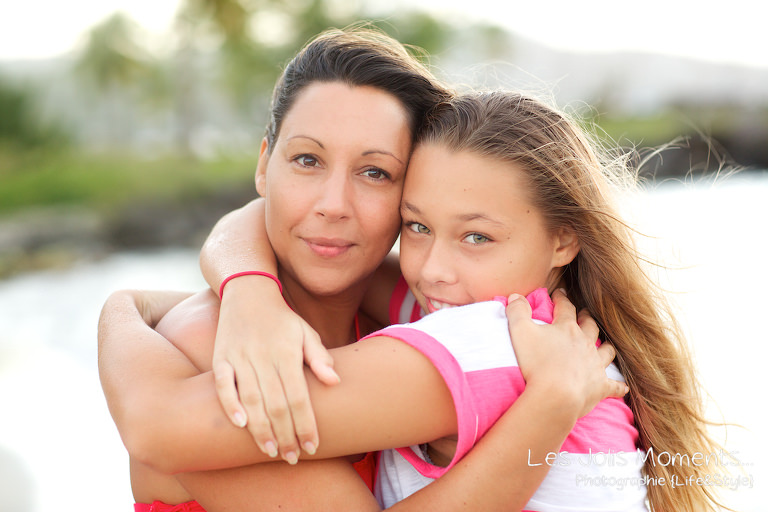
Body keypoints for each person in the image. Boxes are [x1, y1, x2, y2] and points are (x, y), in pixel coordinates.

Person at [98, 27, 622, 512]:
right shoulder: (211, 348)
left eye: (375, 172)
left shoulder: (422, 309)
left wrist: (234, 290)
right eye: (307, 160)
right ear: (264, 165)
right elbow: (152, 426)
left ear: (411, 190)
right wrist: (134, 305)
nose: (333, 204)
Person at [197, 91, 728, 511]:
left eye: (476, 237)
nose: (431, 270)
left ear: (564, 239)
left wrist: (121, 315)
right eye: (418, 227)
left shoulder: (487, 342)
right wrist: (249, 291)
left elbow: (167, 428)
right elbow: (284, 236)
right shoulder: (514, 318)